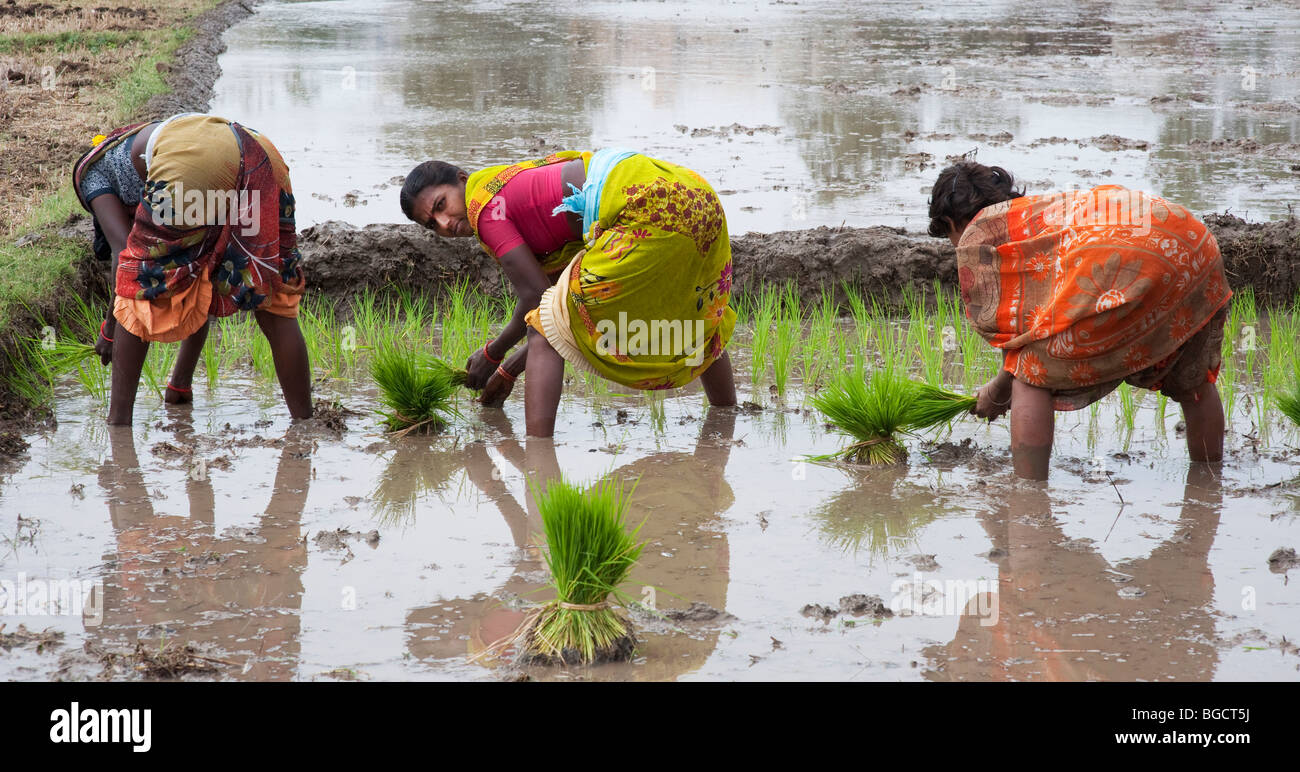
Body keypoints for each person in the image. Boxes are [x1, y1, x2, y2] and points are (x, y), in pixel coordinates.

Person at [400, 148, 737, 436]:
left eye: (442, 205)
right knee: (690, 309)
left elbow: (537, 299)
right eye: (431, 223)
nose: (444, 223)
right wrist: (506, 370)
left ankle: (538, 459)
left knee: (543, 330)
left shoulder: (486, 208)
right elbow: (555, 296)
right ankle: (726, 422)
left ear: (462, 179)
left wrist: (493, 354)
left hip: (647, 207)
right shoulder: (506, 184)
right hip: (693, 195)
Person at [927, 161, 1230, 480]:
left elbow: (1020, 342)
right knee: (1193, 380)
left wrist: (998, 392)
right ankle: (1209, 485)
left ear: (950, 222)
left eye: (949, 235)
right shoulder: (1039, 215)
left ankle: (1030, 497)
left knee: (1031, 369)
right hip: (1192, 241)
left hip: (1134, 260)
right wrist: (998, 391)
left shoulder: (986, 238)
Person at [73, 113, 311, 424]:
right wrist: (178, 385)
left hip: (197, 163)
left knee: (137, 286)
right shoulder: (159, 136)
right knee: (274, 303)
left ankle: (118, 427)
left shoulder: (92, 174)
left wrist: (109, 331)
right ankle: (306, 426)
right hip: (260, 153)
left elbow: (122, 255)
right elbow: (200, 277)